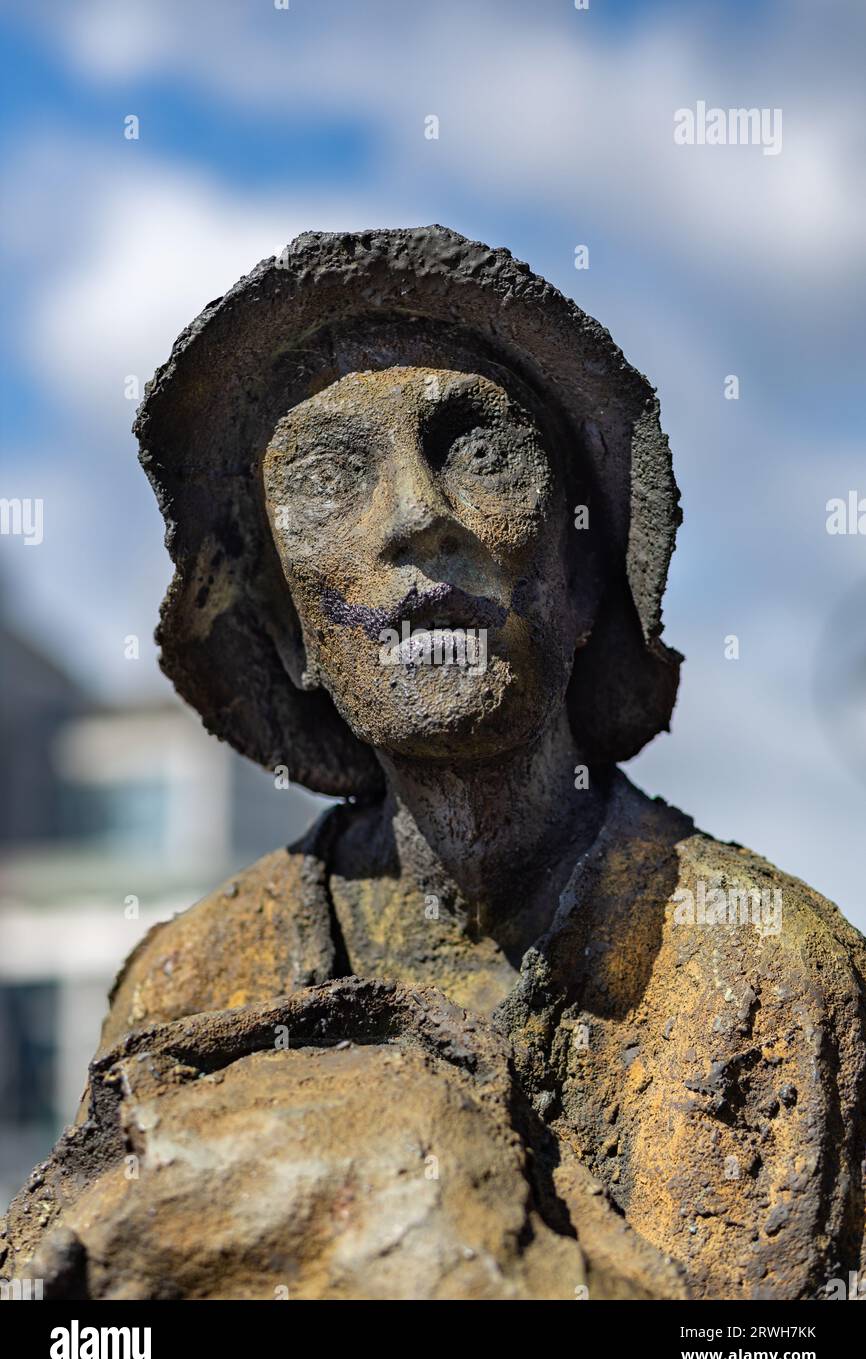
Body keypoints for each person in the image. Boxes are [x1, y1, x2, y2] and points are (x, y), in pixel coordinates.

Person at [3, 227, 863, 1300]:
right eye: (327, 471)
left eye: (479, 448)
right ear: (280, 626)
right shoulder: (186, 986)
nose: (417, 514)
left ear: (583, 575)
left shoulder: (768, 978)